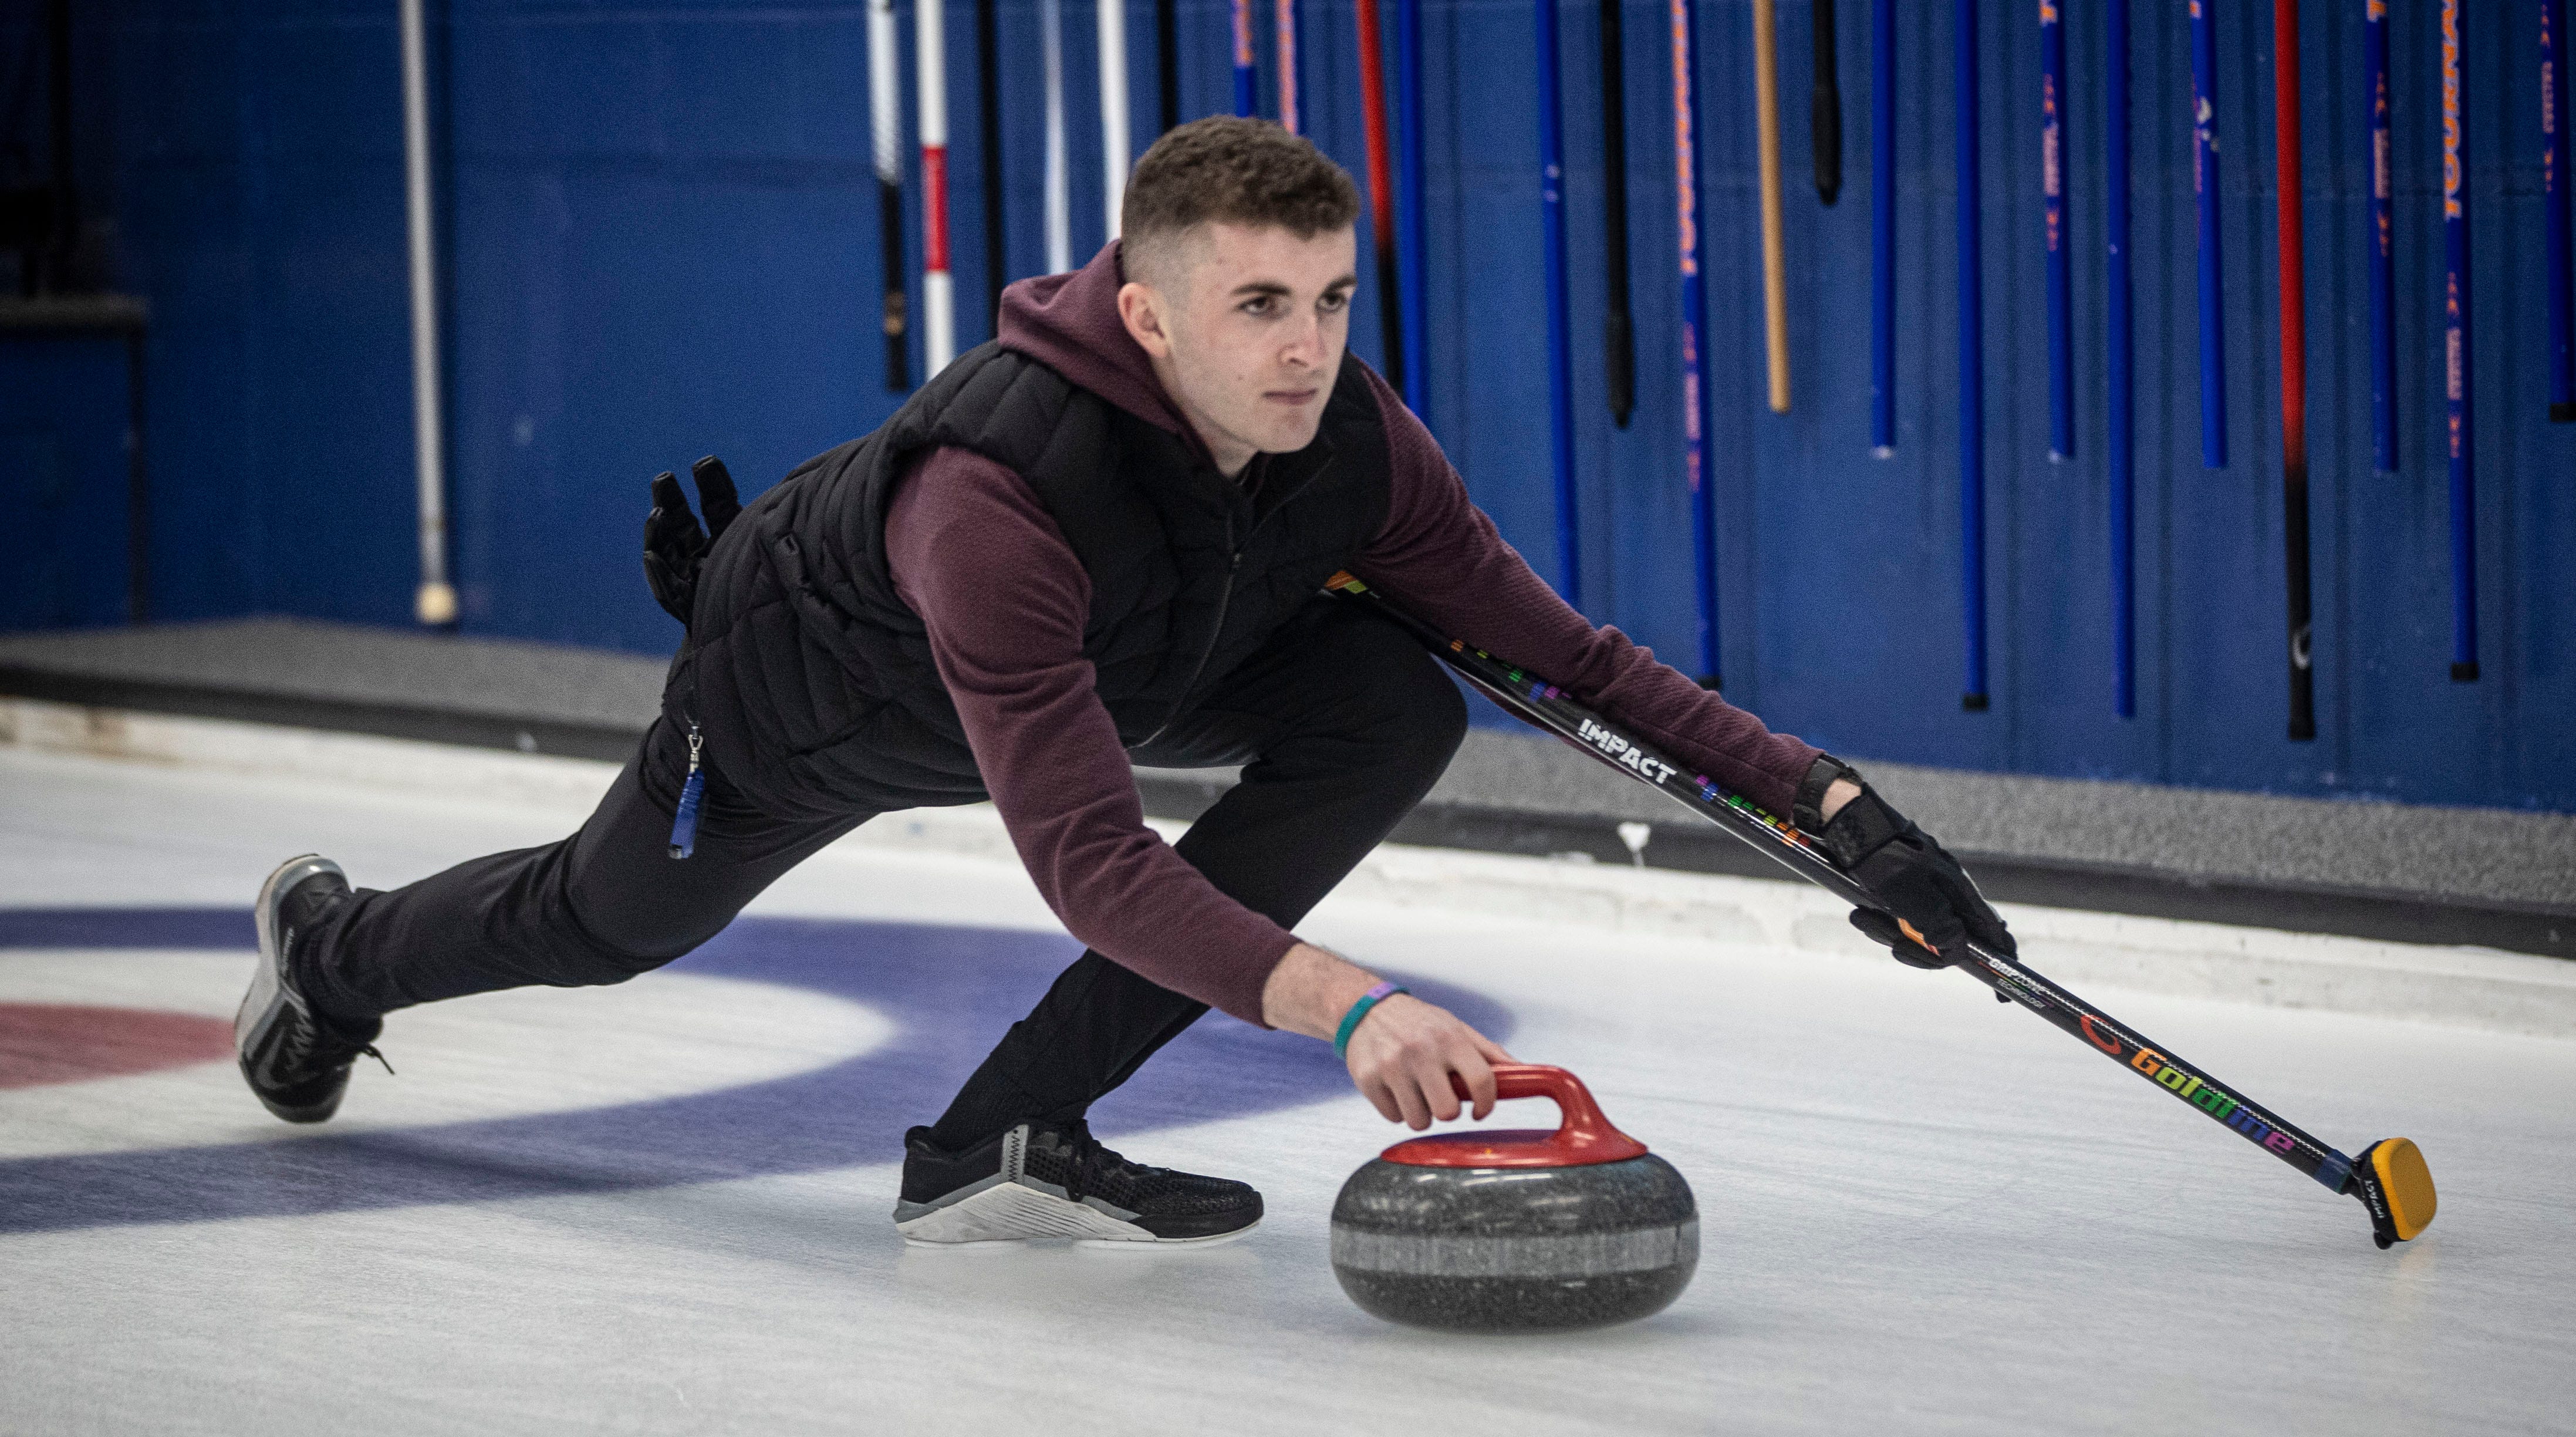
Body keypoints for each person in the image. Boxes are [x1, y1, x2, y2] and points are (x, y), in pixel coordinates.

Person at [234, 117, 2012, 1249]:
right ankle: (328, 949)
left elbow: (1578, 661)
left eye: (1328, 295)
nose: (1308, 344)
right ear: (1149, 318)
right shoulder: (1001, 499)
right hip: (816, 702)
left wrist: (1847, 816)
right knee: (604, 923)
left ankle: (1006, 1125)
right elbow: (1085, 862)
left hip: (1128, 662)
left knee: (1395, 694)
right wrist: (1342, 1004)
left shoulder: (1357, 444)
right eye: (1257, 304)